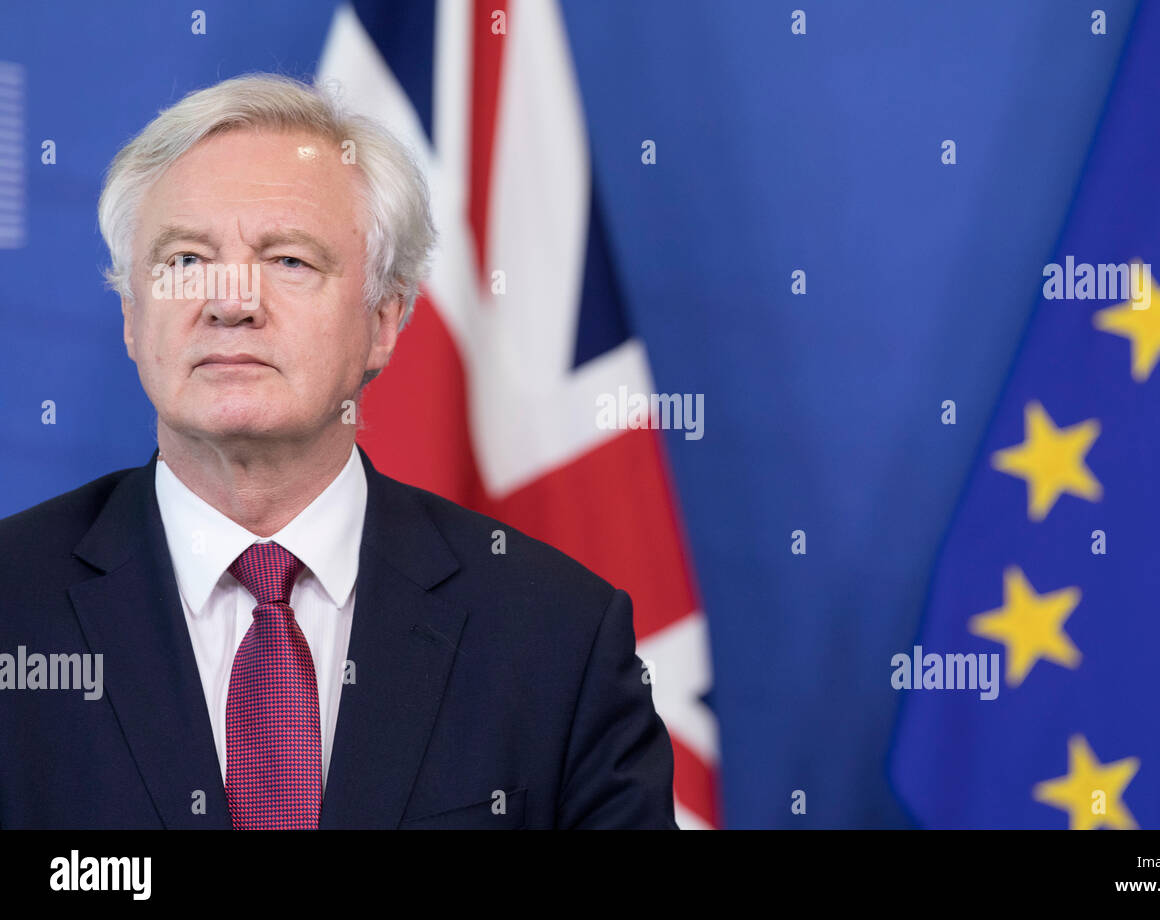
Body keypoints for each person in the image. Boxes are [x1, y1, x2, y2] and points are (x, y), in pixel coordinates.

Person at [0, 74, 677, 829]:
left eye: (289, 261)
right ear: (132, 318)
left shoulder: (556, 637)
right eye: (186, 259)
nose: (230, 301)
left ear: (385, 320)